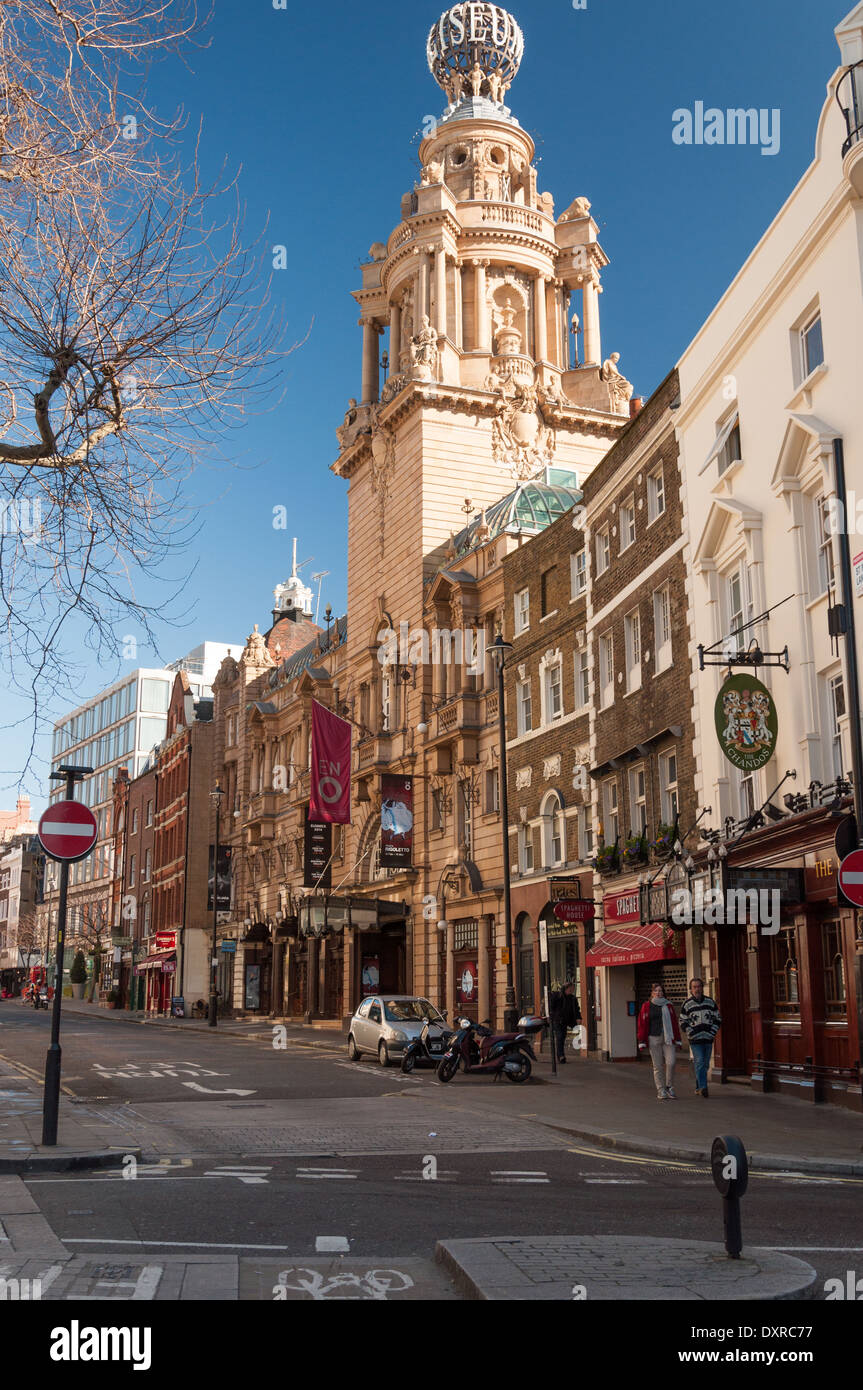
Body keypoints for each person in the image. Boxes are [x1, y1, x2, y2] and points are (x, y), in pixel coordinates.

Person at [637, 982, 682, 1099]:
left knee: (671, 1062)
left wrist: (678, 1039)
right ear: (652, 993)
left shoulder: (669, 1005)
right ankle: (661, 1090)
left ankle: (669, 1087)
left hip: (668, 1038)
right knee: (657, 1066)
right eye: (656, 991)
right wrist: (641, 1040)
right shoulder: (646, 1006)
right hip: (654, 1037)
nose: (658, 993)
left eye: (660, 991)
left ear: (663, 993)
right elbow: (642, 1023)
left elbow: (674, 1023)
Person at [680, 978, 722, 1097]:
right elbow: (682, 1020)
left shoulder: (710, 1002)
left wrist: (712, 1032)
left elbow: (718, 1019)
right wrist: (690, 1032)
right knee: (699, 1062)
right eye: (694, 987)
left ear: (702, 988)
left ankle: (698, 1087)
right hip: (695, 1040)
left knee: (705, 1064)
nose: (697, 989)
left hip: (708, 1039)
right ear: (691, 989)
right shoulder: (687, 1004)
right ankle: (704, 1088)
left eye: (699, 986)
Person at [549, 980, 581, 1064]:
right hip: (558, 1020)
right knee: (559, 1037)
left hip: (566, 1020)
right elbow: (551, 1007)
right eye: (570, 989)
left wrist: (578, 1018)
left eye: (573, 989)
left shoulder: (573, 998)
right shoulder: (558, 996)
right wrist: (552, 1016)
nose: (571, 991)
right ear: (565, 988)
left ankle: (561, 1055)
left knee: (562, 1037)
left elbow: (576, 1009)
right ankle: (561, 1056)